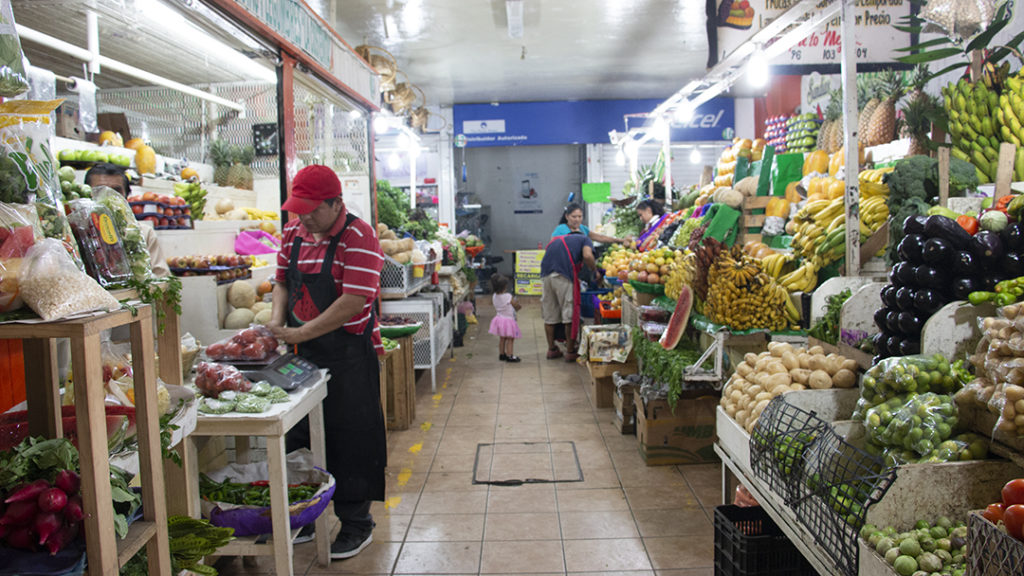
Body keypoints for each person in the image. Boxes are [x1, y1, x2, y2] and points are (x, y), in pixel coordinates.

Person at [267, 165, 386, 560]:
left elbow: (353, 301)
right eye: (298, 209)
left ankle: (356, 523)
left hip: (349, 355)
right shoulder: (292, 233)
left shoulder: (360, 237)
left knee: (349, 438)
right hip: (302, 356)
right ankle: (302, 516)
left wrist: (300, 333)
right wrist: (275, 323)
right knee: (298, 436)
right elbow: (282, 280)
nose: (304, 217)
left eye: (313, 209)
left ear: (336, 203)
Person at [84, 163, 169, 277]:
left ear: (126, 197)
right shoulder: (79, 233)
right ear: (86, 195)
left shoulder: (143, 234)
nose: (108, 197)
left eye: (116, 192)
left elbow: (162, 279)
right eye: (100, 191)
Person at [540, 232, 597, 361]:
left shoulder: (557, 239)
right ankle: (570, 351)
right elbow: (587, 256)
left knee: (550, 314)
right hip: (563, 276)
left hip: (546, 275)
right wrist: (594, 270)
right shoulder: (584, 239)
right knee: (569, 314)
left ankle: (552, 349)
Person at [551, 203, 628, 245]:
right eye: (574, 217)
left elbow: (600, 238)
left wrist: (620, 240)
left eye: (580, 216)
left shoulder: (582, 228)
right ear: (567, 216)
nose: (577, 219)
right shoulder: (560, 230)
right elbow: (553, 247)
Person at [488, 274, 522, 362]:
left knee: (502, 338)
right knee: (510, 339)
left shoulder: (494, 296)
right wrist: (518, 304)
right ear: (504, 287)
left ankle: (502, 354)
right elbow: (516, 306)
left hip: (499, 319)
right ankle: (510, 355)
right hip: (508, 321)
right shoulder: (507, 296)